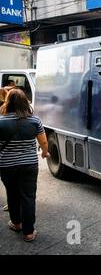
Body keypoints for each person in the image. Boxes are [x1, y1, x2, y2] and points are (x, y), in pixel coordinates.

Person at [0, 89, 50, 242]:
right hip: (29, 164)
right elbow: (44, 142)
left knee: (12, 194)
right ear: (25, 102)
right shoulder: (34, 120)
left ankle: (16, 224)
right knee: (28, 196)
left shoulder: (1, 121)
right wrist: (44, 153)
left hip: (6, 165)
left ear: (8, 102)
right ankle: (29, 232)